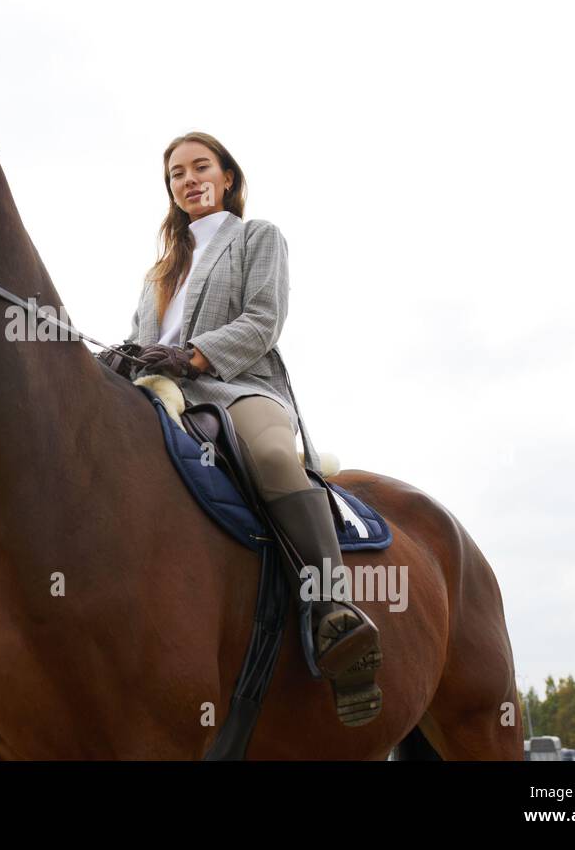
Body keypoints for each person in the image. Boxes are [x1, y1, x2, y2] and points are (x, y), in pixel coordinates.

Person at [112, 131, 382, 726]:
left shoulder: (257, 237)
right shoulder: (160, 268)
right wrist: (124, 358)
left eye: (200, 166)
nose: (188, 179)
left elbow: (264, 320)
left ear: (227, 176)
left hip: (237, 386)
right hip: (160, 391)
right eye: (176, 173)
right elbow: (143, 336)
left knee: (273, 458)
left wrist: (194, 356)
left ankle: (332, 608)